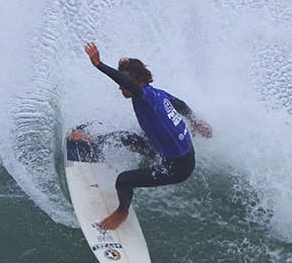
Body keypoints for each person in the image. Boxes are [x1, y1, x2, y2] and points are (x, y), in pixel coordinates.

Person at [79, 41, 212, 231]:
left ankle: (122, 212)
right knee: (126, 137)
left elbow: (128, 84)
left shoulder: (145, 96)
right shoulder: (158, 93)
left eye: (125, 83)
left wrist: (99, 65)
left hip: (178, 168)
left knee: (124, 180)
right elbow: (180, 104)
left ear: (137, 82)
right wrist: (195, 121)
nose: (121, 88)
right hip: (174, 152)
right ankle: (93, 141)